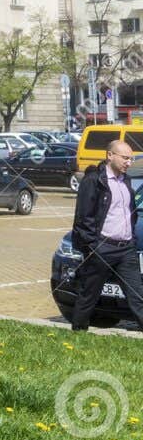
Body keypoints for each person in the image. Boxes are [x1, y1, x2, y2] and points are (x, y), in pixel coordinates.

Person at [69, 140, 143, 331]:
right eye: (125, 158)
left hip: (126, 248)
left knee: (137, 294)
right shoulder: (94, 181)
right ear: (110, 155)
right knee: (89, 293)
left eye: (131, 159)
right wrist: (93, 245)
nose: (129, 162)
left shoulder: (125, 181)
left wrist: (132, 240)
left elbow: (129, 213)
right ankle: (78, 331)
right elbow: (83, 217)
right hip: (102, 247)